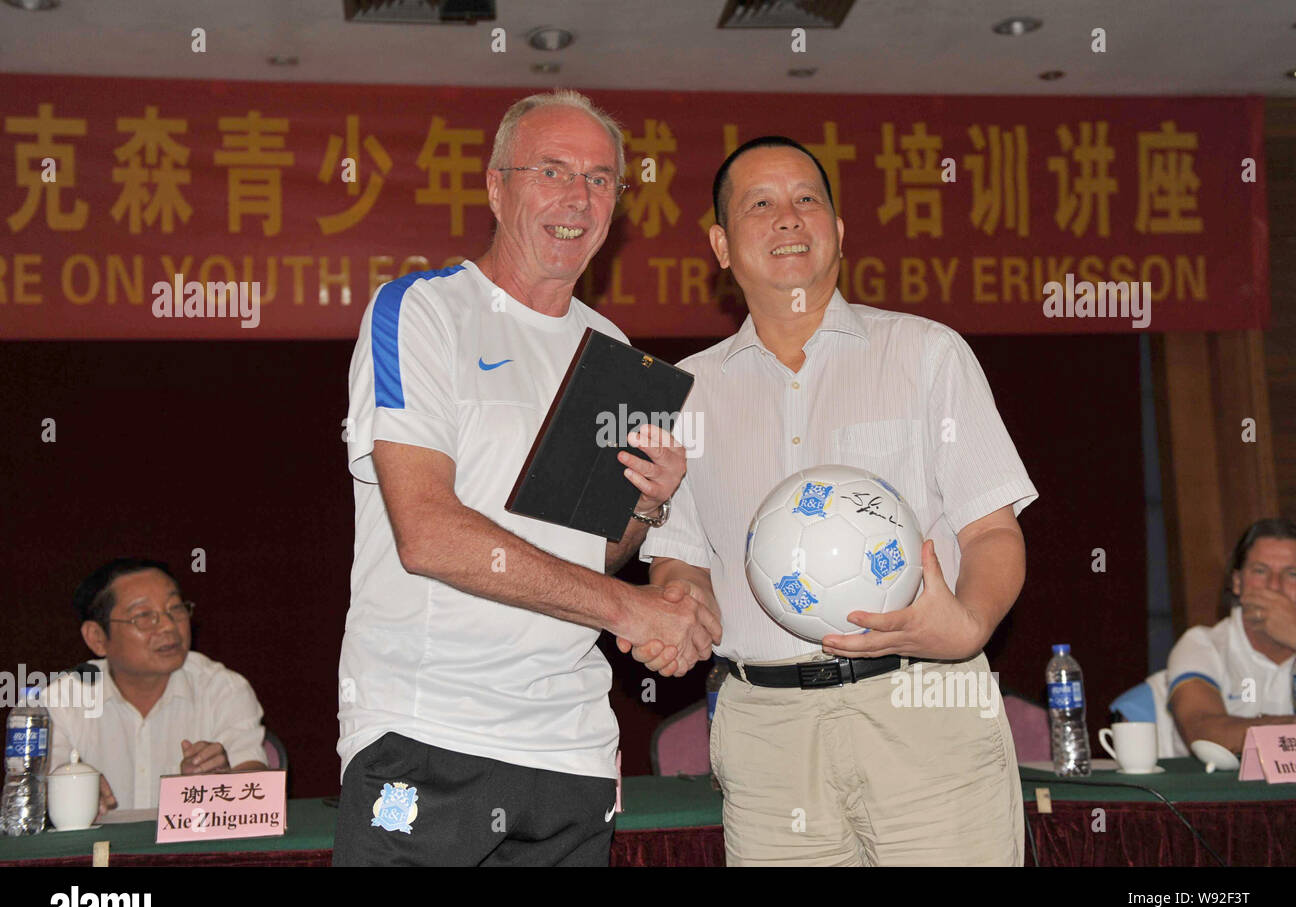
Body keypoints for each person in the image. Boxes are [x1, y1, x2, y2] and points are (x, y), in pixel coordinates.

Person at [334, 90, 720, 867]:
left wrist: (645, 506)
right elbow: (429, 535)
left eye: (602, 179)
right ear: (496, 186)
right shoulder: (422, 312)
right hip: (429, 735)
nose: (578, 197)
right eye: (552, 170)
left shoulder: (612, 351)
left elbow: (593, 558)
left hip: (570, 749)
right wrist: (629, 610)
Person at [635, 136, 1037, 866]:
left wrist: (969, 624)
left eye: (807, 200)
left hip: (924, 707)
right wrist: (675, 614)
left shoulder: (926, 354)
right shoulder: (683, 394)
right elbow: (682, 563)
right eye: (761, 204)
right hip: (766, 730)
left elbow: (992, 530)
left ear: (839, 231)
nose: (788, 218)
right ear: (721, 245)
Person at [43, 558, 267, 815]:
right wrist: (67, 792)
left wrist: (224, 784)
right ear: (97, 637)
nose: (169, 626)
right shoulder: (62, 699)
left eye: (176, 609)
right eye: (144, 616)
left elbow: (255, 780)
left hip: (190, 853)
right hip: (92, 854)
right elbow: (36, 786)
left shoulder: (222, 688)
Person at [1167, 518, 1296, 755]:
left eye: (1292, 574)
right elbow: (1203, 732)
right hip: (1220, 791)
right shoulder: (1203, 643)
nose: (1274, 586)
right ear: (1237, 583)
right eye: (1260, 571)